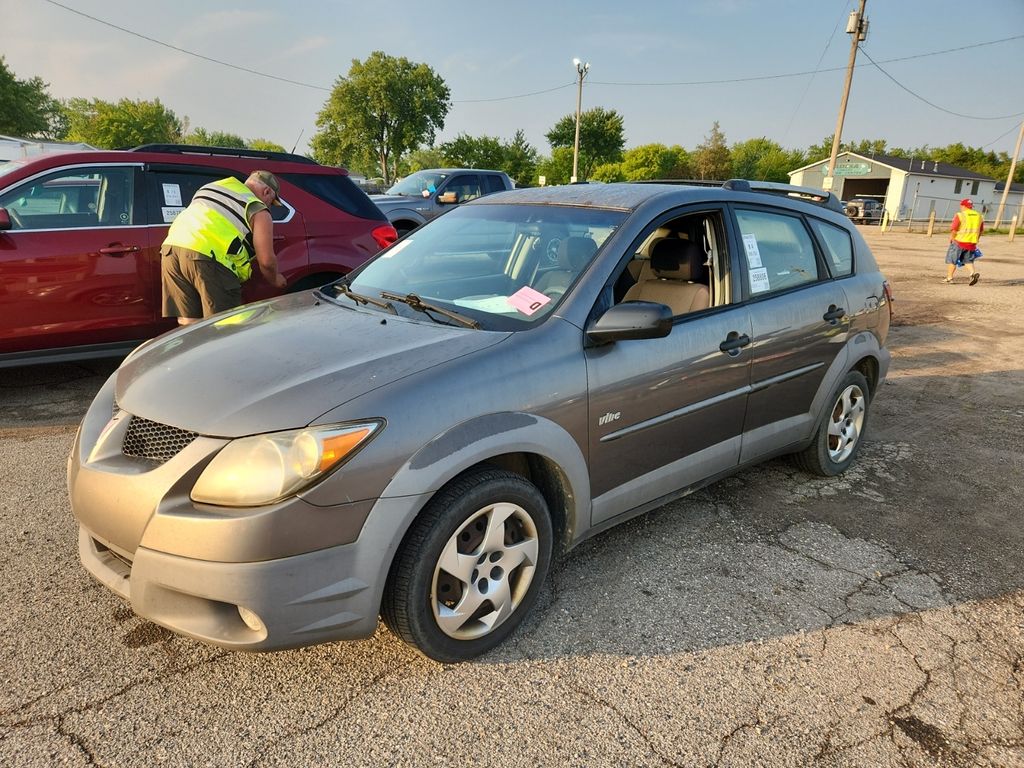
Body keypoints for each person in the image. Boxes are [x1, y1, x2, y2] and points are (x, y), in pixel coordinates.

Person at [161, 170, 287, 325]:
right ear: (267, 191)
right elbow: (266, 261)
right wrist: (275, 280)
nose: (269, 206)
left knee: (189, 323)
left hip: (171, 250)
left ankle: (198, 349)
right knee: (227, 326)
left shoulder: (213, 187)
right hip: (208, 258)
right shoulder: (257, 208)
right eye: (271, 201)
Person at [943, 197, 983, 285]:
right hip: (971, 242)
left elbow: (954, 229)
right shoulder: (979, 216)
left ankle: (949, 277)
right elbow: (980, 230)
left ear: (963, 206)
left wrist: (952, 238)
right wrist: (976, 240)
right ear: (971, 206)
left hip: (959, 241)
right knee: (968, 260)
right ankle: (972, 273)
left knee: (952, 260)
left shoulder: (960, 215)